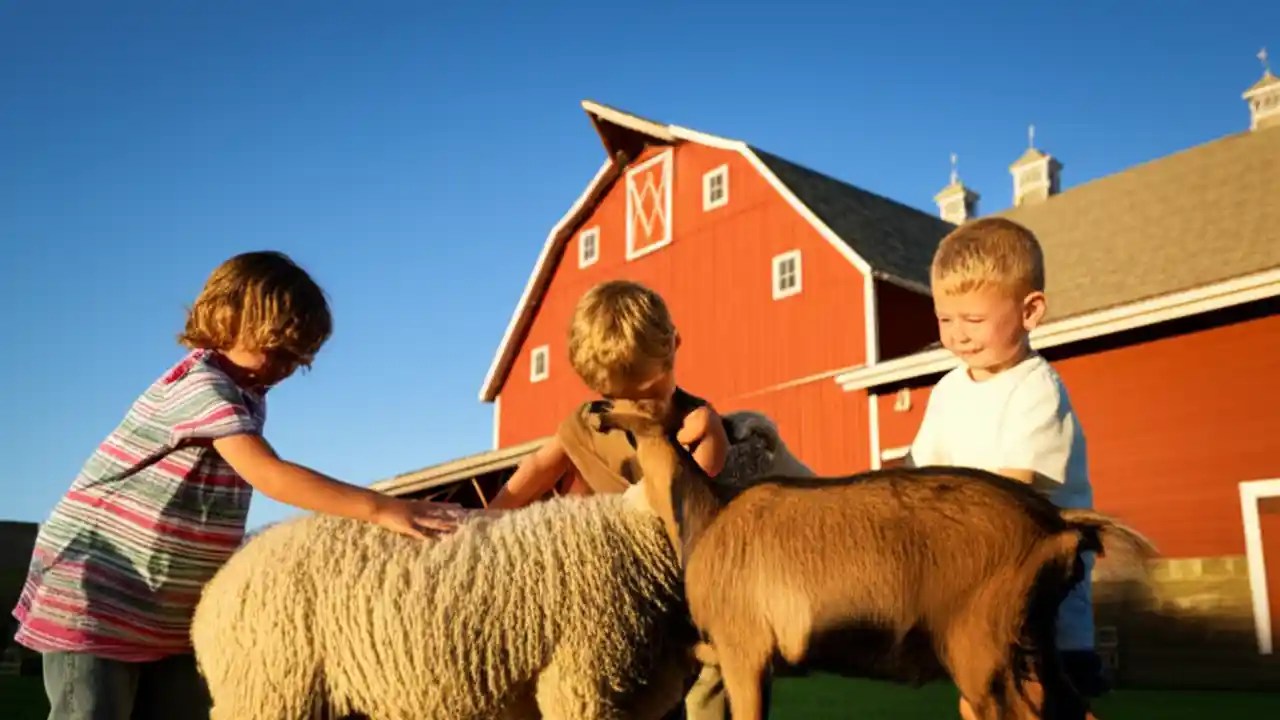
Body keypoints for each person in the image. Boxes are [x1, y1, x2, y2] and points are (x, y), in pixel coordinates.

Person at [10, 250, 466, 720]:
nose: (283, 368)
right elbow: (268, 472)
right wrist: (380, 508)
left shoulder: (247, 397)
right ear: (227, 319)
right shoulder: (200, 384)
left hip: (165, 608)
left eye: (298, 358)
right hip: (100, 593)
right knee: (91, 711)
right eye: (277, 350)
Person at [487, 278, 732, 720]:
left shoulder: (695, 422)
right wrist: (488, 521)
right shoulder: (589, 423)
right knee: (630, 694)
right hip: (619, 591)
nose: (636, 409)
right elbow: (538, 469)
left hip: (685, 590)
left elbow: (701, 498)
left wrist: (703, 445)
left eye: (649, 394)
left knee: (703, 689)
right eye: (621, 397)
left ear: (675, 345)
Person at [905, 217, 1107, 719]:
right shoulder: (949, 391)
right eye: (944, 320)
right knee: (979, 703)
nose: (958, 336)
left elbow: (1008, 499)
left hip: (1037, 593)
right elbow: (921, 479)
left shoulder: (1036, 392)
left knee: (1036, 703)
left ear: (1030, 311)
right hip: (978, 592)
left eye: (972, 320)